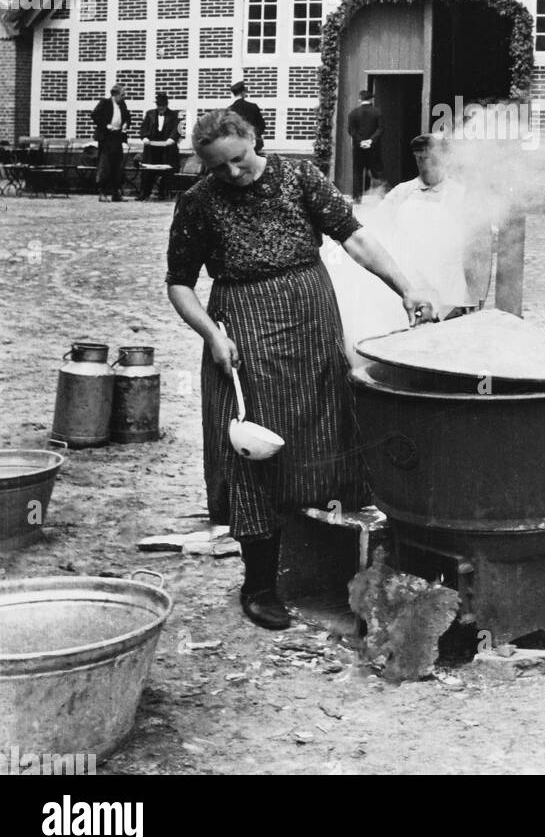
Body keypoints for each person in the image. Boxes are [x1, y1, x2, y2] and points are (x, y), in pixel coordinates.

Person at [165, 109, 435, 632]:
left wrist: (406, 286)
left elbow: (353, 235)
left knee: (323, 428)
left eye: (239, 161)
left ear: (254, 141)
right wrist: (212, 335)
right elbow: (179, 282)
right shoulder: (198, 202)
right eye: (219, 168)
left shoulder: (299, 176)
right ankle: (260, 585)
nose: (234, 175)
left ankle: (325, 562)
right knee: (252, 447)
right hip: (243, 328)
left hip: (311, 316)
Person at [380, 133, 492, 320]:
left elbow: (478, 252)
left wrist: (477, 298)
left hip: (449, 290)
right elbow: (376, 227)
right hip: (410, 287)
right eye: (419, 158)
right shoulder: (401, 193)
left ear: (445, 159)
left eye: (430, 158)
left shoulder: (461, 196)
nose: (424, 165)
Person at [91, 84, 132, 202]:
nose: (124, 97)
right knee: (105, 165)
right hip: (106, 137)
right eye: (122, 94)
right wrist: (106, 125)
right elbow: (95, 115)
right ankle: (102, 192)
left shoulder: (122, 104)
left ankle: (116, 193)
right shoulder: (105, 103)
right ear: (115, 94)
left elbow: (128, 117)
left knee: (117, 166)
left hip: (117, 137)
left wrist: (126, 124)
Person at [137, 93, 181, 201]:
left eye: (163, 106)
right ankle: (144, 193)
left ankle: (163, 193)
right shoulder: (149, 114)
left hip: (167, 148)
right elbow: (143, 128)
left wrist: (172, 138)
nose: (160, 108)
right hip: (152, 148)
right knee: (148, 171)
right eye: (159, 105)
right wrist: (144, 137)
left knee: (166, 171)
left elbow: (178, 129)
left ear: (166, 105)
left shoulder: (174, 115)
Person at [347, 89, 381, 202]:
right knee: (376, 170)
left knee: (357, 171)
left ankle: (357, 197)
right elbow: (381, 129)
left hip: (358, 148)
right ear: (371, 99)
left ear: (359, 99)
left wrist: (361, 141)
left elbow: (351, 130)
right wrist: (370, 141)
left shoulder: (353, 113)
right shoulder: (378, 112)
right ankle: (379, 195)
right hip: (373, 148)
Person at [228, 81, 265, 154]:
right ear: (243, 93)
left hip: (236, 145)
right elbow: (262, 126)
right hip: (253, 144)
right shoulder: (253, 107)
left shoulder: (229, 110)